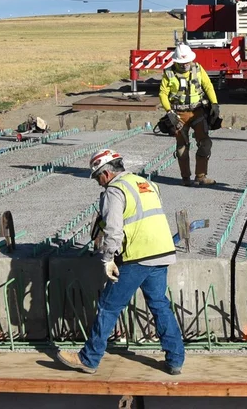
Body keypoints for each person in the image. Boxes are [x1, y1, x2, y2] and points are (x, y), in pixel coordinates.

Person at [55, 149, 185, 376]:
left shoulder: (114, 190)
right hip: (162, 252)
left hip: (137, 256)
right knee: (159, 305)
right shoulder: (146, 183)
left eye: (97, 177)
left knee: (108, 306)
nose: (98, 183)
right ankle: (175, 360)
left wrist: (107, 259)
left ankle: (89, 358)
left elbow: (114, 229)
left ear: (105, 173)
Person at [158, 44, 220, 186]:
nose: (185, 65)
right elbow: (163, 93)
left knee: (205, 143)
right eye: (182, 63)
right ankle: (185, 178)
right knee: (182, 148)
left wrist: (215, 104)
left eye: (187, 62)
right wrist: (169, 112)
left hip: (198, 112)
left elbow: (208, 86)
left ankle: (201, 176)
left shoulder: (198, 69)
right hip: (178, 114)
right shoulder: (168, 74)